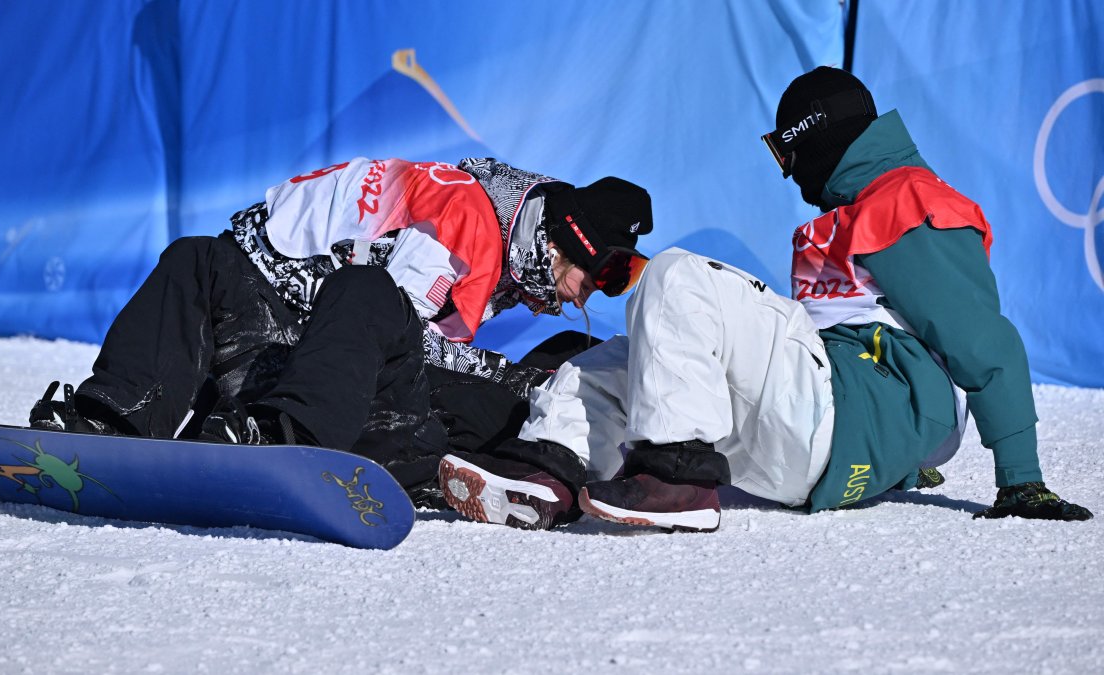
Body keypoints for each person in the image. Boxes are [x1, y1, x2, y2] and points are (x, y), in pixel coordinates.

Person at [438, 68, 1092, 531]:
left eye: (787, 152)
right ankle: (550, 471)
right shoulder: (850, 215)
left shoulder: (909, 202)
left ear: (815, 139)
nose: (787, 171)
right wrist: (902, 466)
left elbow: (981, 342)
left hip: (835, 417)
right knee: (624, 356)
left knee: (674, 277)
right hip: (809, 452)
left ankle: (678, 473)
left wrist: (1021, 478)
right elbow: (888, 343)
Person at [29, 156, 653, 504]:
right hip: (319, 367)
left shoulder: (486, 218)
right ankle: (120, 422)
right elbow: (400, 333)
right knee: (214, 263)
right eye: (598, 276)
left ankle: (249, 431)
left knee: (201, 259)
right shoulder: (471, 229)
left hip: (294, 346)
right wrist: (514, 377)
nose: (595, 291)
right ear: (558, 247)